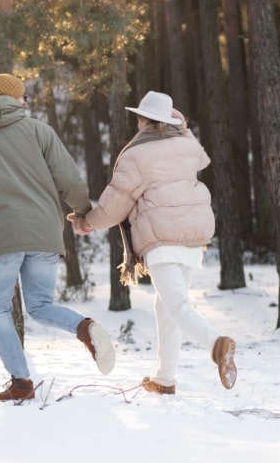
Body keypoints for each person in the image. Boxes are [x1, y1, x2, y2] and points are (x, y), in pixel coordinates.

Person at [0, 72, 116, 401]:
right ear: (14, 98)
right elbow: (69, 180)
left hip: (0, 236)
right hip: (44, 232)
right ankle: (84, 328)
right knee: (41, 305)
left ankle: (21, 383)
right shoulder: (39, 131)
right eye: (23, 95)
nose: (26, 100)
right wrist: (84, 212)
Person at [73, 90, 237, 395]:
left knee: (177, 306)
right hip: (191, 239)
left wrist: (86, 222)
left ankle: (217, 344)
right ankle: (165, 379)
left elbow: (114, 206)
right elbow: (199, 152)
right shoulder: (186, 145)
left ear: (142, 120)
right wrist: (184, 126)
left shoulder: (136, 154)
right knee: (167, 306)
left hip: (161, 240)